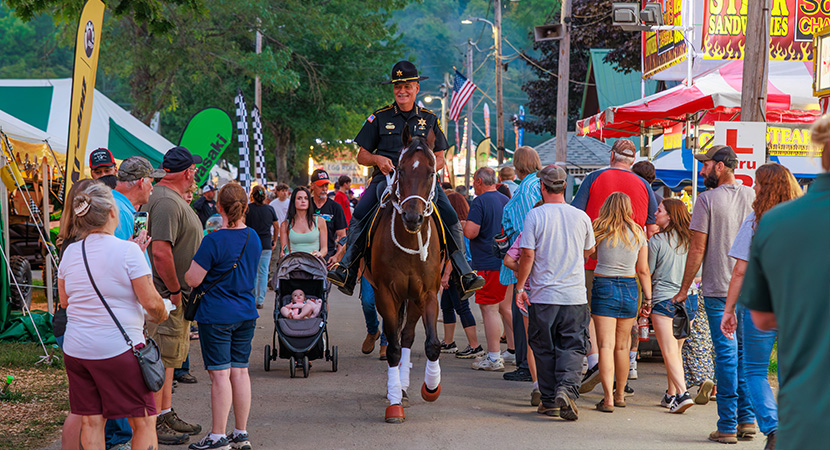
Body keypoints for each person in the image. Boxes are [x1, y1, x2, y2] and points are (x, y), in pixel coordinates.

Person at [327, 60, 484, 299]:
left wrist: (426, 168)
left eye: (407, 85)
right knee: (360, 213)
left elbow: (441, 158)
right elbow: (361, 155)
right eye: (398, 85)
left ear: (416, 88)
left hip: (421, 183)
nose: (402, 90)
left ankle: (464, 273)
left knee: (451, 216)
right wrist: (378, 159)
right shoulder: (379, 117)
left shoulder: (430, 119)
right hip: (386, 179)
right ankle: (347, 268)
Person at [738, 117, 830, 450]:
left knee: (755, 368)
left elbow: (763, 316)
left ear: (821, 153)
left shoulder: (776, 223)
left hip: (808, 411)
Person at [58, 183, 168, 450]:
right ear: (111, 212)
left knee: (91, 421)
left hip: (78, 350)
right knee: (143, 421)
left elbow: (64, 301)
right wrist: (164, 312)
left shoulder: (71, 251)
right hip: (119, 350)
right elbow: (152, 304)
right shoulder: (128, 252)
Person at [672, 144, 756, 444]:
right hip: (751, 287)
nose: (702, 170)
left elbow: (697, 248)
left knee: (726, 355)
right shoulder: (752, 196)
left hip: (720, 288)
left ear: (720, 166)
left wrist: (683, 290)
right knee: (746, 356)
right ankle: (748, 420)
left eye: (705, 165)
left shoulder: (706, 200)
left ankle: (727, 425)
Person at [720, 163, 802, 449]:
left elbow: (740, 271)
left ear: (765, 187)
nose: (753, 187)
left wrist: (728, 310)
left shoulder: (756, 222)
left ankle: (774, 427)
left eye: (756, 183)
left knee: (754, 370)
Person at [572, 139, 658, 395]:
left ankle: (597, 364)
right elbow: (652, 228)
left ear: (612, 156)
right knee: (625, 332)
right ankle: (622, 383)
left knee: (591, 317)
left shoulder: (593, 178)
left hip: (594, 264)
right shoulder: (644, 184)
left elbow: (577, 215)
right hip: (632, 269)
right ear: (632, 161)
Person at [514, 165, 595, 421]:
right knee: (572, 346)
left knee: (544, 348)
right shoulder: (580, 216)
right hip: (574, 296)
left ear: (542, 187)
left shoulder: (535, 216)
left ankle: (549, 400)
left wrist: (520, 286)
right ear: (564, 187)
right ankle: (567, 389)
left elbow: (527, 254)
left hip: (543, 295)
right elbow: (589, 250)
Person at [184, 182, 260, 450]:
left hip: (216, 315)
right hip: (245, 312)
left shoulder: (213, 240)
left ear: (219, 208)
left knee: (219, 375)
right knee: (240, 372)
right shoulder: (254, 237)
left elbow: (193, 278)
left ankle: (217, 436)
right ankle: (240, 432)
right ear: (245, 207)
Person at [142, 146, 205, 445]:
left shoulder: (172, 198)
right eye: (193, 169)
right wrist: (175, 290)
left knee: (169, 360)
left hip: (176, 295)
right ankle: (154, 420)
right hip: (168, 296)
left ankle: (165, 412)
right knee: (161, 356)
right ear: (187, 172)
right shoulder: (166, 201)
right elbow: (161, 251)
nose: (195, 174)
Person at [588, 192, 651, 412]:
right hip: (629, 288)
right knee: (623, 346)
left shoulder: (600, 227)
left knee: (605, 345)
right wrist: (648, 297)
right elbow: (643, 269)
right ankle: (621, 394)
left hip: (604, 285)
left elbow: (592, 256)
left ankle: (607, 399)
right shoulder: (638, 231)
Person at [648, 198, 698, 413]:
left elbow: (648, 271)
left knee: (668, 352)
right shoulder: (693, 240)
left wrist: (645, 301)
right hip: (690, 299)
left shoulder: (657, 241)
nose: (655, 213)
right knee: (675, 351)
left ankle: (682, 393)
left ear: (669, 215)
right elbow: (701, 272)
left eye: (659, 210)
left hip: (664, 299)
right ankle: (671, 394)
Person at [499, 147, 542, 382]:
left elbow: (527, 228)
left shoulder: (526, 190)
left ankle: (527, 366)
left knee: (522, 312)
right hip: (537, 259)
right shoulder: (538, 184)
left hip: (523, 258)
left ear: (518, 164)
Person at [463, 168, 511, 371]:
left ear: (480, 181)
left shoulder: (480, 202)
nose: (474, 184)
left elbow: (471, 232)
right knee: (505, 308)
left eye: (474, 181)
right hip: (506, 261)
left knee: (489, 309)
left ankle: (493, 357)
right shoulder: (505, 199)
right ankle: (514, 350)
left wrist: (465, 225)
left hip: (487, 262)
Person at [440, 186, 482, 359]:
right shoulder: (465, 225)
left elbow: (456, 253)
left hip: (458, 270)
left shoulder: (456, 227)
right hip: (465, 268)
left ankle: (475, 346)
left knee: (462, 307)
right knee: (447, 306)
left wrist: (446, 274)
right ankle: (449, 342)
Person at [246, 185, 279, 309]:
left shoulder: (248, 209)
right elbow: (276, 226)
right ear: (264, 196)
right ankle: (260, 300)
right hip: (266, 244)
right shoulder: (270, 209)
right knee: (263, 272)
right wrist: (274, 240)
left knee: (252, 272)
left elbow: (243, 225)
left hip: (251, 244)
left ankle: (252, 298)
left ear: (252, 196)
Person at [308, 169, 347, 267]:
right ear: (312, 185)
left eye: (326, 185)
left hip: (327, 255)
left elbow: (342, 236)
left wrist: (337, 256)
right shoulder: (306, 205)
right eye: (321, 186)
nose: (324, 189)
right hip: (306, 253)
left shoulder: (335, 207)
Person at [280, 186, 328, 258]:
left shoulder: (319, 221)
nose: (303, 201)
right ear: (293, 201)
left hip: (314, 263)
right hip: (294, 264)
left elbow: (324, 249)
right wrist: (283, 255)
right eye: (299, 198)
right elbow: (284, 250)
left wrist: (319, 253)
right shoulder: (285, 225)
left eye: (306, 198)